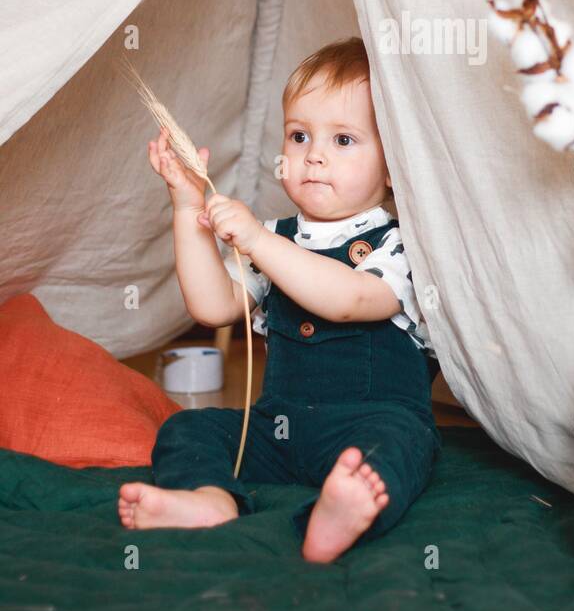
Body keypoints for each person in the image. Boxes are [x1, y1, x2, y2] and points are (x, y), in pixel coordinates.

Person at [117, 36, 441, 562]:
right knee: (190, 426)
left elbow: (349, 299)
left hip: (369, 424)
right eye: (298, 135)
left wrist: (258, 243)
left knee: (399, 447)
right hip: (279, 431)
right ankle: (211, 501)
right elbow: (214, 306)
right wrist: (186, 210)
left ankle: (339, 515)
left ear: (391, 168)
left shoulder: (400, 243)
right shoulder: (275, 236)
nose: (313, 155)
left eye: (343, 140)